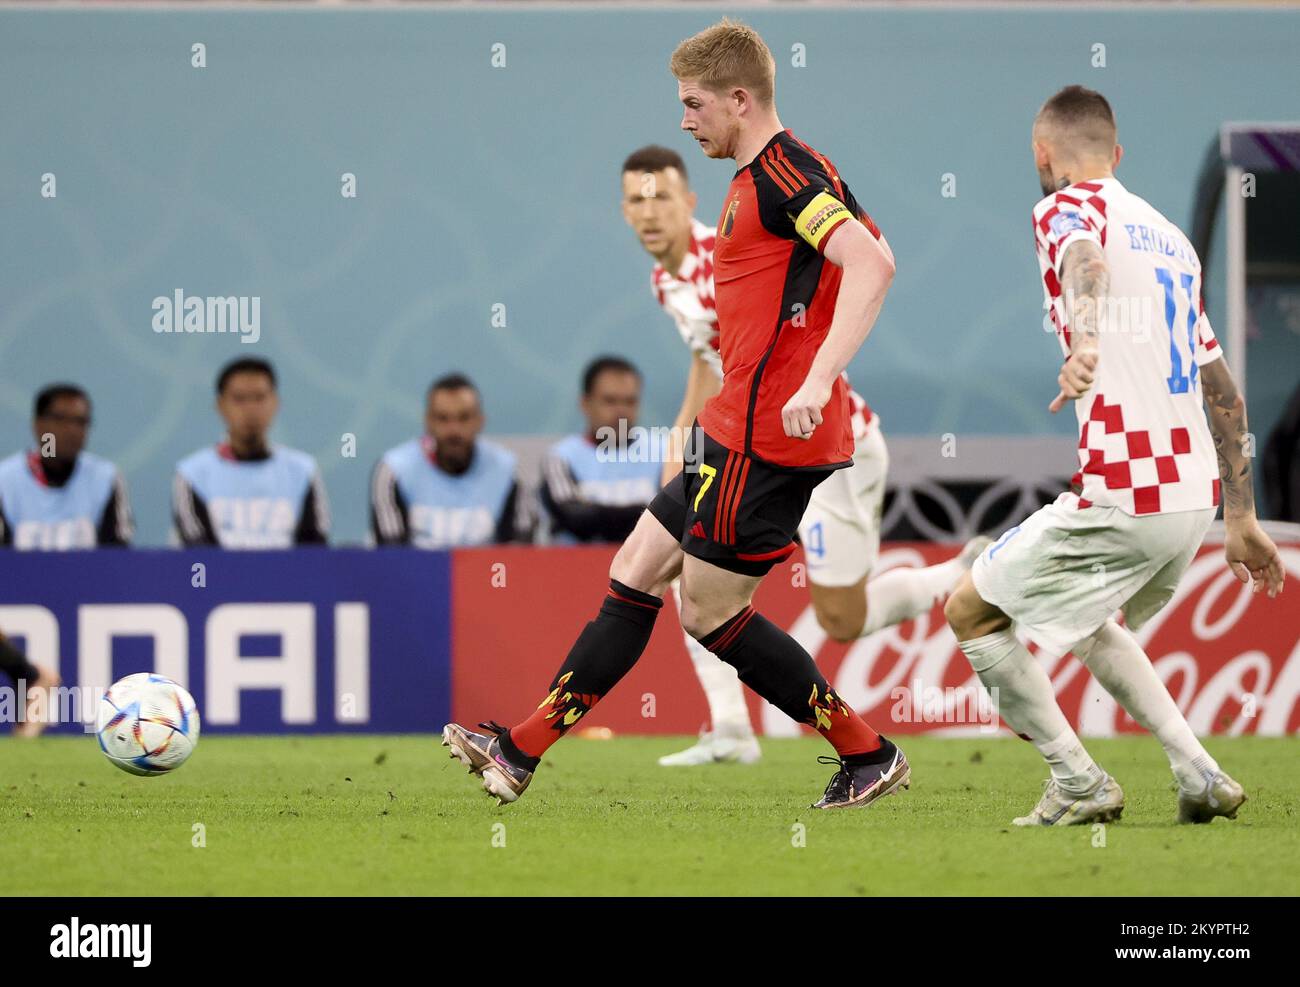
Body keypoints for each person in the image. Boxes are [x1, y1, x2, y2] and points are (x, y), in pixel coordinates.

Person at [443, 19, 907, 810]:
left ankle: (867, 750)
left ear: (738, 98)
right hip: (728, 427)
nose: (684, 120)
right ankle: (518, 748)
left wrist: (814, 378)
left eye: (693, 105)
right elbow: (842, 259)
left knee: (711, 611)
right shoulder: (773, 173)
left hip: (765, 440)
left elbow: (872, 260)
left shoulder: (786, 173)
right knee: (633, 571)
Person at [944, 86, 1285, 826]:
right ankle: (1199, 772)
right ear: (1119, 153)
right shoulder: (1174, 240)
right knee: (1090, 616)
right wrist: (1243, 514)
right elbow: (1222, 388)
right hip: (1190, 498)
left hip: (1126, 490)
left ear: (1043, 155)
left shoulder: (1067, 205)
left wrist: (1088, 336)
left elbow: (1085, 260)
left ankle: (1078, 780)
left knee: (970, 608)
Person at [622, 143, 987, 767]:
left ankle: (961, 577)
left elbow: (813, 313)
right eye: (635, 200)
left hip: (826, 444)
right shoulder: (665, 279)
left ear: (690, 203)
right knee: (683, 559)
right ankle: (732, 728)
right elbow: (710, 359)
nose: (649, 212)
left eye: (661, 198)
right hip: (754, 440)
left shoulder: (724, 256)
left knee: (842, 618)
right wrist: (681, 438)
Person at [173, 358, 330, 548]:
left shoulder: (303, 471)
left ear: (275, 403)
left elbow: (314, 549)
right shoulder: (193, 474)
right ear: (220, 406)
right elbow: (198, 551)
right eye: (239, 399)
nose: (250, 409)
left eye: (259, 397)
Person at [371, 373, 530, 548]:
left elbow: (518, 557)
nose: (454, 431)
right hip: (413, 575)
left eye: (464, 418)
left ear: (480, 421)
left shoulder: (507, 471)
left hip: (486, 575)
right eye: (443, 419)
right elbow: (391, 558)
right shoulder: (393, 470)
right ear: (428, 422)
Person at [540, 356, 663, 544]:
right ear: (585, 404)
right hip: (574, 567)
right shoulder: (560, 458)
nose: (621, 411)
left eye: (630, 401)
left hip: (646, 569)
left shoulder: (664, 452)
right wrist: (646, 512)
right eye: (610, 401)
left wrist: (596, 512)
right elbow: (577, 520)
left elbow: (676, 519)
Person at [0, 383, 132, 549]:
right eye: (60, 420)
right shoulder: (5, 480)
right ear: (38, 425)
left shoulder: (105, 478)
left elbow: (118, 556)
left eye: (80, 421)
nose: (71, 430)